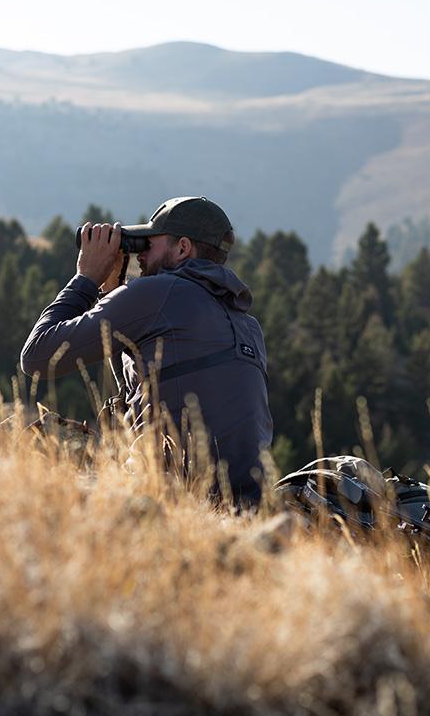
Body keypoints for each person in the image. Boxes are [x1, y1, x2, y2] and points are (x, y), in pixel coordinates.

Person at [20, 196, 273, 506]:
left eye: (148, 244)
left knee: (38, 448)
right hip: (246, 504)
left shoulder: (158, 292)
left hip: (171, 494)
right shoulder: (247, 324)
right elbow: (142, 392)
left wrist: (86, 278)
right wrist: (112, 293)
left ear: (182, 248)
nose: (139, 256)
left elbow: (36, 356)